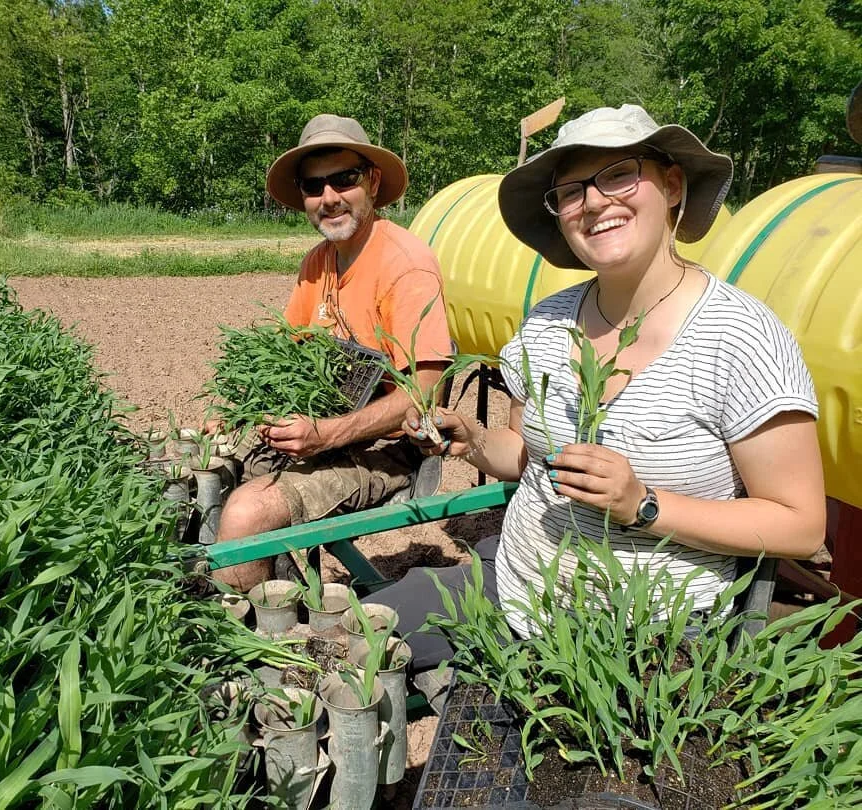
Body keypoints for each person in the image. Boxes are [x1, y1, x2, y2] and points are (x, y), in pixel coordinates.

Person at [368, 104, 826, 690]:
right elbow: (529, 457)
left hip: (646, 632)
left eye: (619, 175)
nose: (594, 202)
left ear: (672, 185)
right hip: (516, 582)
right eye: (571, 191)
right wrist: (473, 440)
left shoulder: (741, 339)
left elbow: (800, 526)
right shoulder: (547, 323)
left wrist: (644, 505)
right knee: (351, 635)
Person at [211, 114, 451, 591]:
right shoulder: (318, 262)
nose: (329, 197)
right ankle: (264, 583)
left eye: (344, 179)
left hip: (388, 449)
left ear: (373, 183)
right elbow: (286, 356)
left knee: (245, 513)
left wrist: (324, 435)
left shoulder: (405, 267)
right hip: (322, 426)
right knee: (200, 466)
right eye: (314, 186)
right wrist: (236, 410)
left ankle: (256, 625)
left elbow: (425, 397)